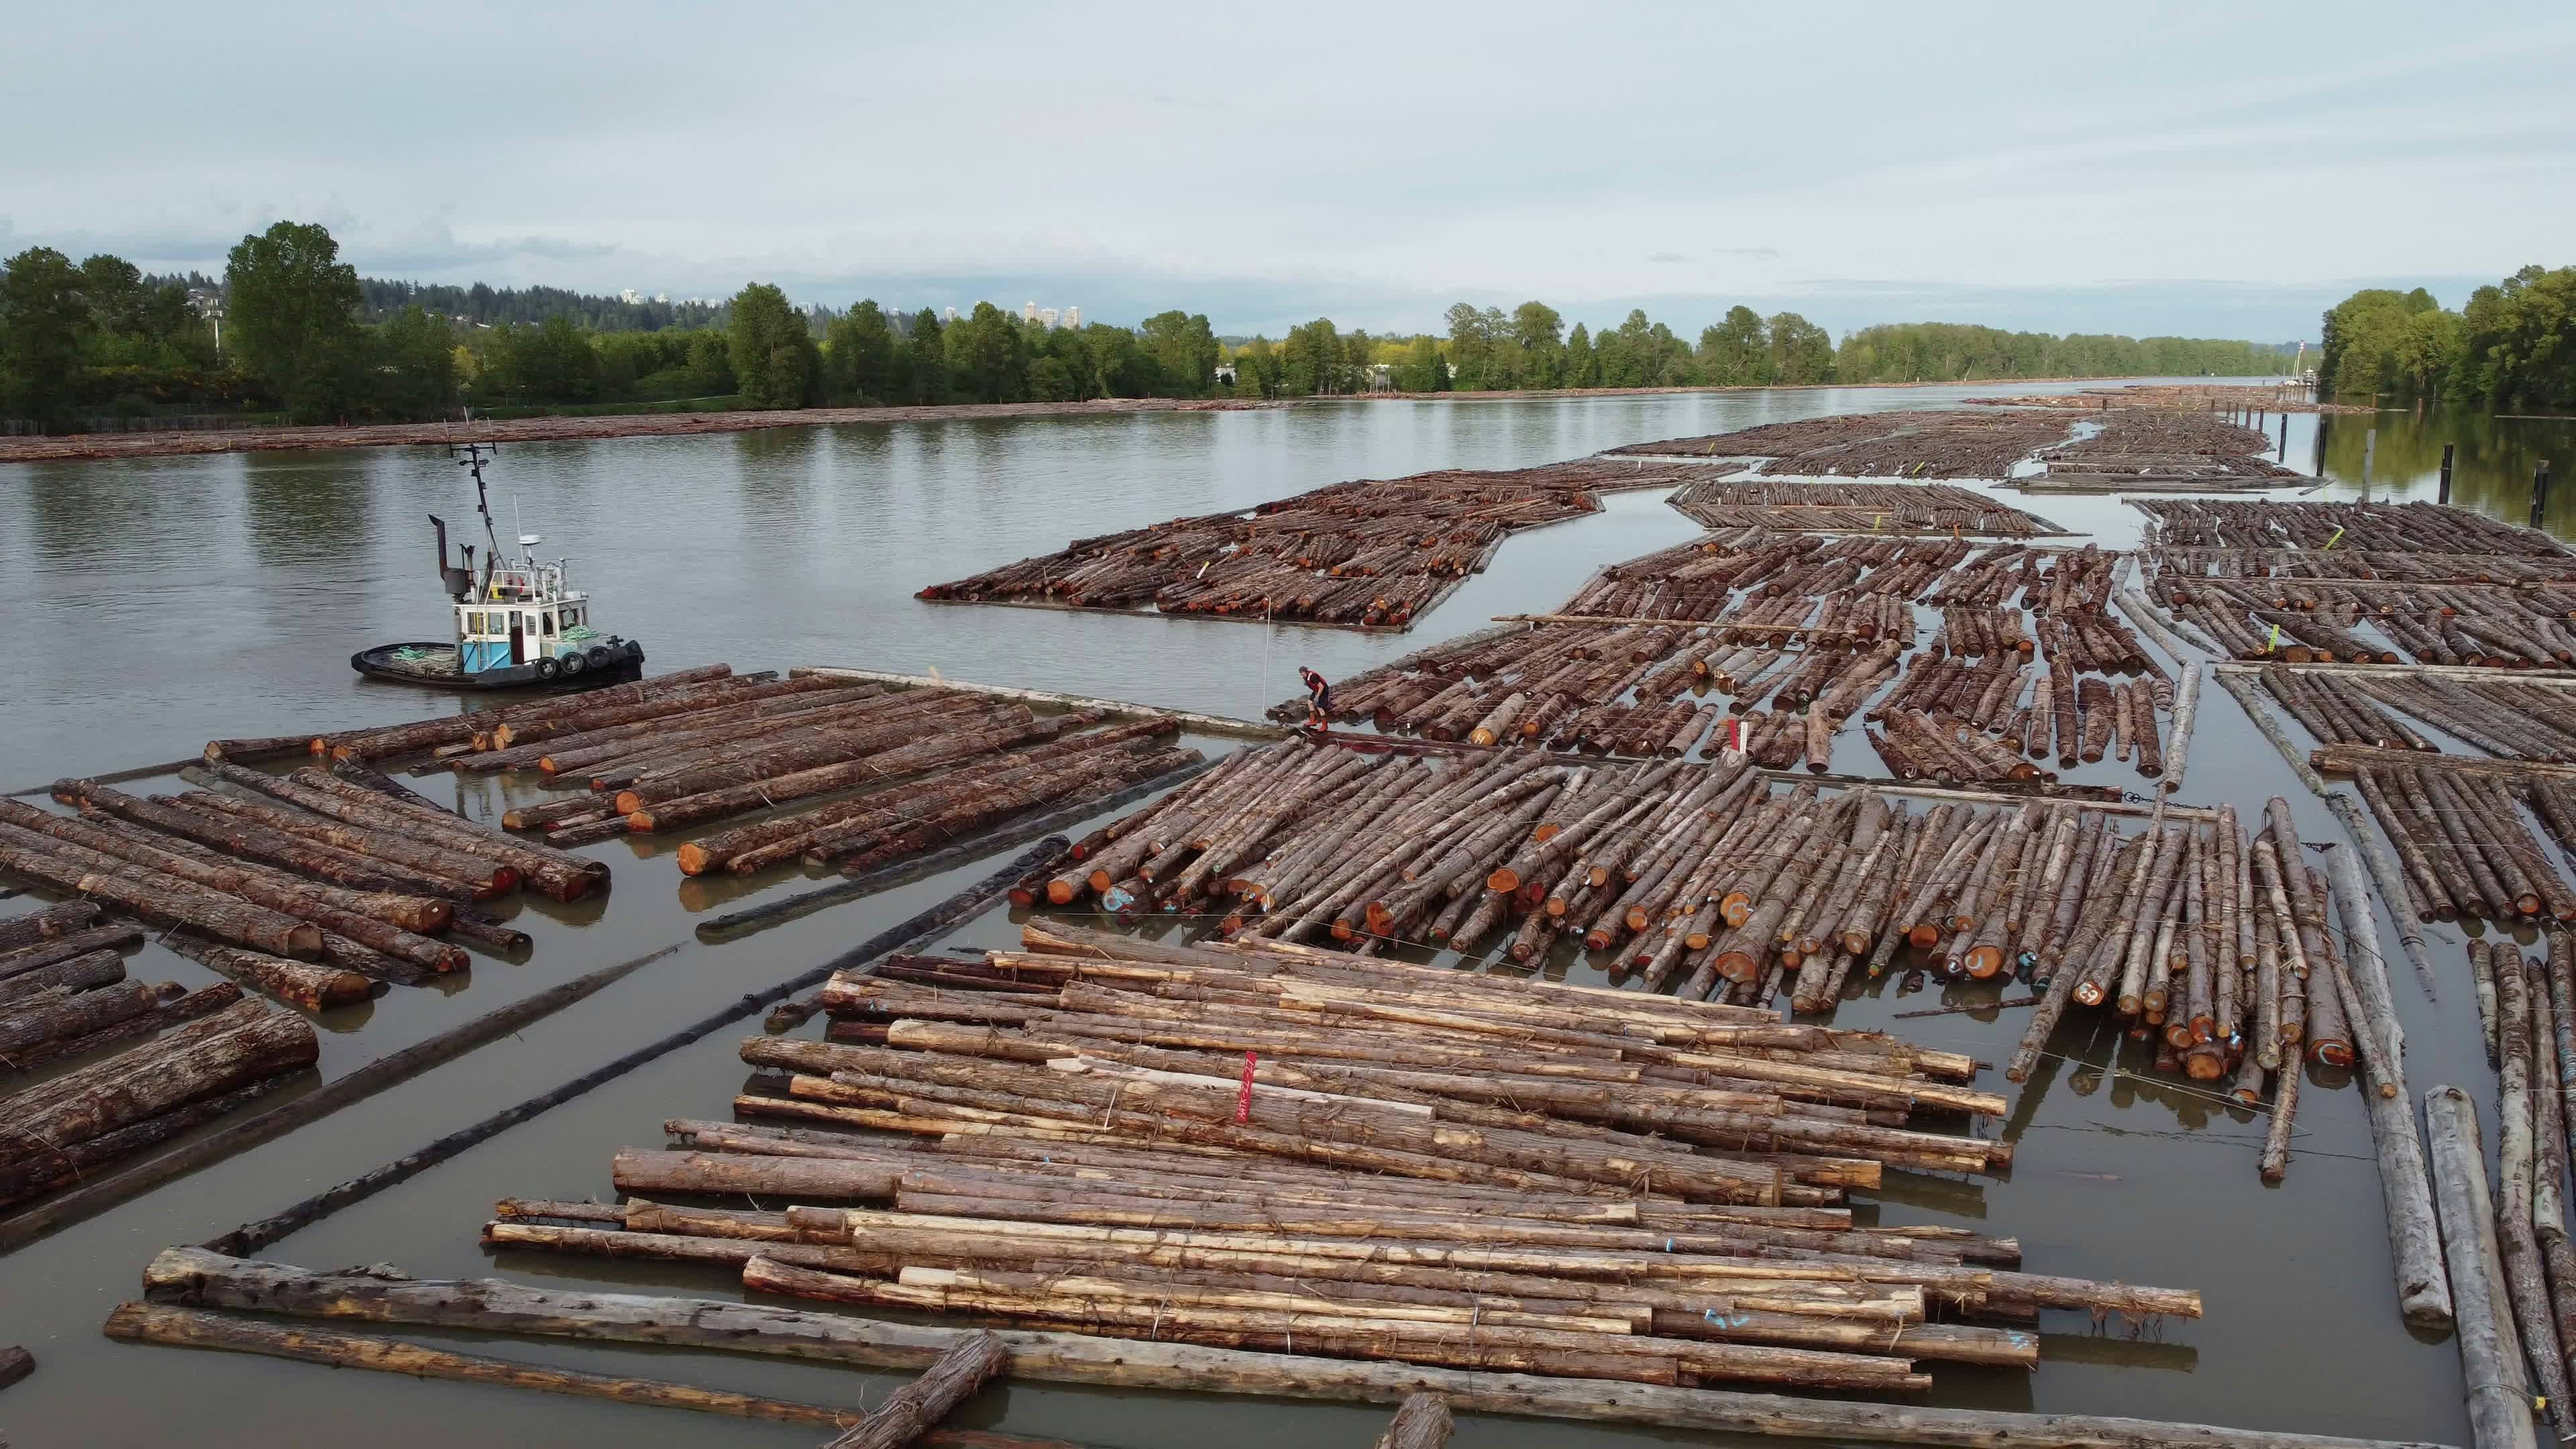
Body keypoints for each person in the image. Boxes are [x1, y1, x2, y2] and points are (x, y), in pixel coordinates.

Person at [1297, 665, 1333, 731]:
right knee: (1310, 702)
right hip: (1316, 690)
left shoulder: (1313, 676)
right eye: (1301, 675)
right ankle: (1313, 721)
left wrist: (1317, 697)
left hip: (1323, 690)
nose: (1302, 676)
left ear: (1306, 672)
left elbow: (1321, 687)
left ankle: (1325, 726)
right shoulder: (1306, 677)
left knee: (1320, 707)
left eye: (1303, 675)